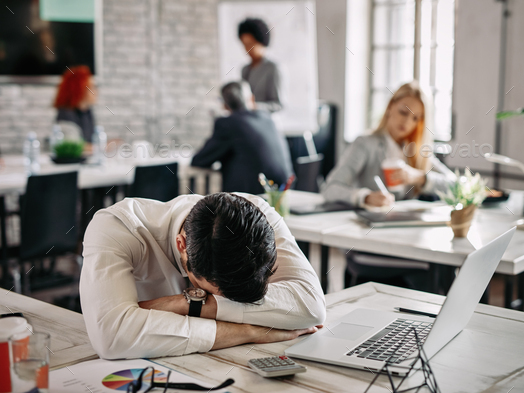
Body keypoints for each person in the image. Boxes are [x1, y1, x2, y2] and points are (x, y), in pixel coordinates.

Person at [80, 192, 326, 359]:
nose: (219, 300)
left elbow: (312, 306)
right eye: (209, 293)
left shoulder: (258, 217)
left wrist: (188, 305)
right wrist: (251, 332)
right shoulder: (117, 227)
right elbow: (110, 337)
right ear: (181, 245)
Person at [322, 81, 453, 207]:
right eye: (403, 112)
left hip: (406, 224)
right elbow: (330, 189)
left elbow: (456, 185)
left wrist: (420, 177)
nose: (407, 122)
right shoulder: (365, 144)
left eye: (415, 118)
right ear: (390, 106)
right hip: (368, 224)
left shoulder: (417, 150)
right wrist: (365, 197)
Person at [192, 81, 293, 194]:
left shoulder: (227, 124)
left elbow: (200, 159)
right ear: (252, 99)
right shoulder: (267, 118)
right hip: (285, 191)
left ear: (224, 105)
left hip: (249, 198)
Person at [238, 18, 282, 112]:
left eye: (250, 44)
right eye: (244, 44)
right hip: (248, 122)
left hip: (266, 123)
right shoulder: (245, 69)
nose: (247, 49)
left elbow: (279, 105)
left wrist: (254, 106)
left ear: (261, 42)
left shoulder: (273, 68)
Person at [53, 65, 97, 143]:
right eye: (92, 87)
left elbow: (90, 141)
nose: (96, 91)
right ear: (80, 89)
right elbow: (73, 146)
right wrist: (102, 147)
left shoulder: (87, 112)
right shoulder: (66, 114)